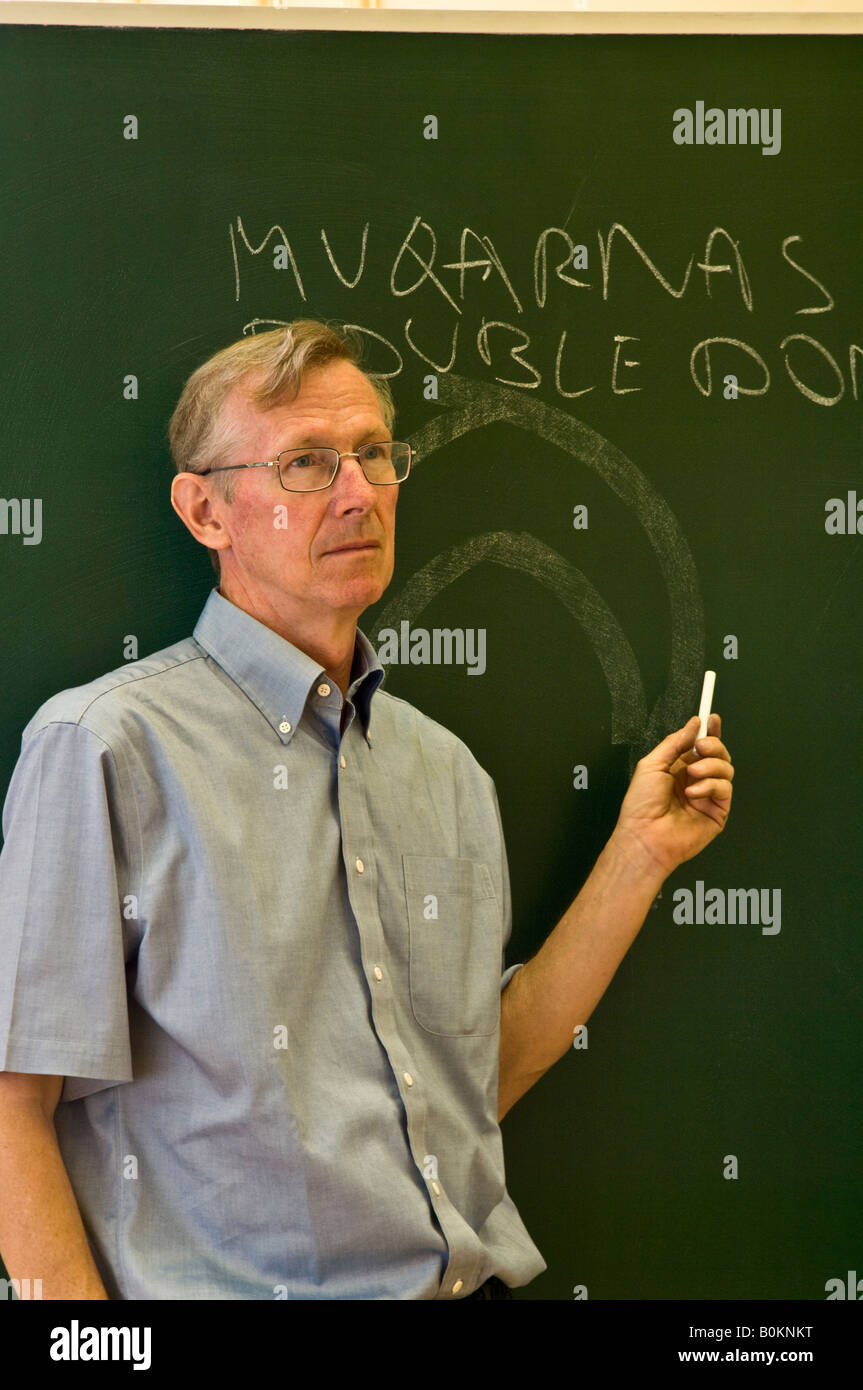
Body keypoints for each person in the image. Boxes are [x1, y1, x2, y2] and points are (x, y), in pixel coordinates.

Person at [0, 321, 733, 1301]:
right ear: (204, 510)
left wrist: (639, 853)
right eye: (305, 462)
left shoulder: (443, 769)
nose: (356, 492)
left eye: (373, 455)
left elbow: (472, 1085)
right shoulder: (104, 746)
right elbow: (13, 1104)